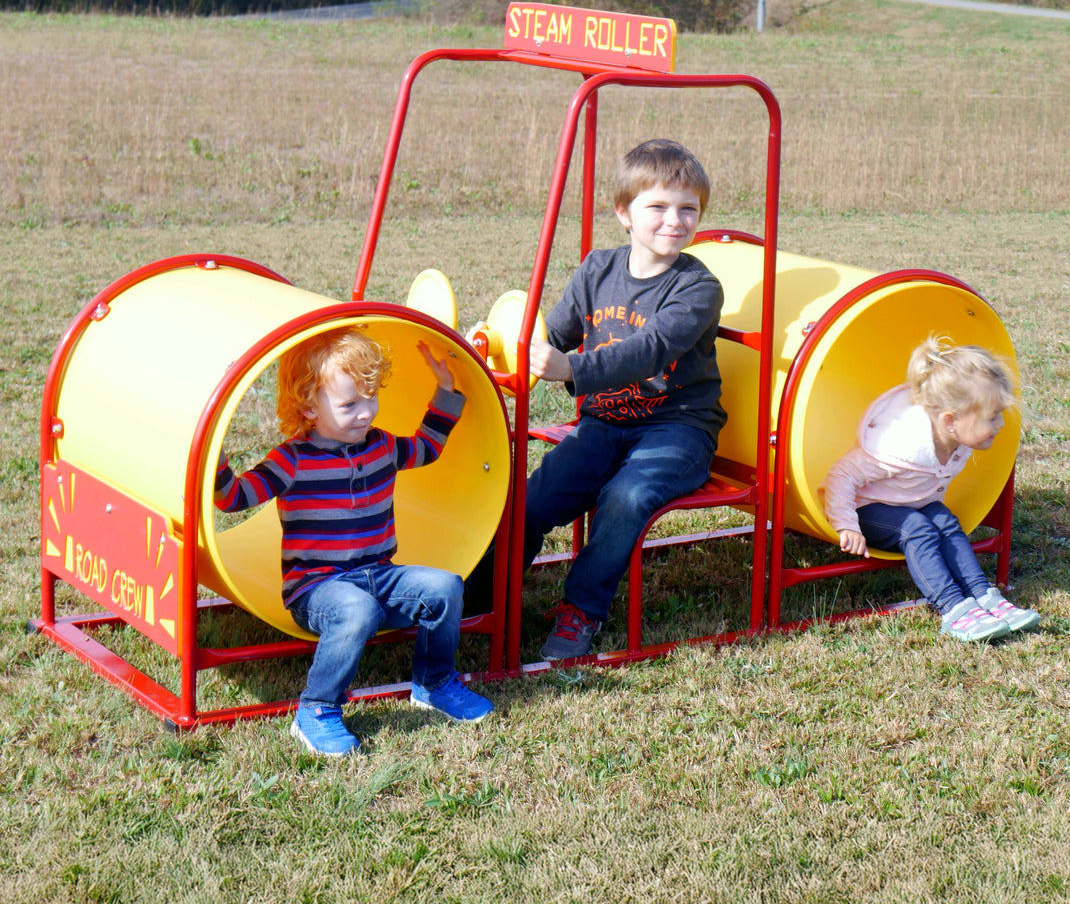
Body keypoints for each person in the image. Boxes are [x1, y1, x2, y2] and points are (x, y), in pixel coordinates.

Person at [214, 327, 492, 757]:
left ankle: (434, 684)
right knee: (356, 609)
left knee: (446, 588)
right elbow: (234, 498)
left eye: (371, 398)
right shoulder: (291, 459)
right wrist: (215, 457)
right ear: (309, 405)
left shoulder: (380, 445)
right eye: (349, 404)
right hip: (318, 589)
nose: (365, 413)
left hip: (379, 575)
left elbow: (428, 447)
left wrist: (446, 390)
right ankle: (318, 709)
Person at [518, 138, 727, 659]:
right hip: (605, 423)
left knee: (627, 497)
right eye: (656, 207)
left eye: (688, 210)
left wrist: (571, 368)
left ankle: (581, 610)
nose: (673, 221)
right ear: (624, 213)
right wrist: (516, 342)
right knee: (535, 497)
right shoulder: (597, 270)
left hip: (678, 428)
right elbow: (556, 331)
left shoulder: (697, 287)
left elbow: (650, 351)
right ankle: (483, 594)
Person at [823, 334, 1038, 642]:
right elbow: (841, 475)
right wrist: (847, 525)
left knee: (945, 521)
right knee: (917, 529)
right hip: (868, 511)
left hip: (914, 504)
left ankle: (983, 596)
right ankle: (953, 609)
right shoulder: (899, 446)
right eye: (991, 418)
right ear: (950, 420)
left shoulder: (957, 437)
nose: (1000, 424)